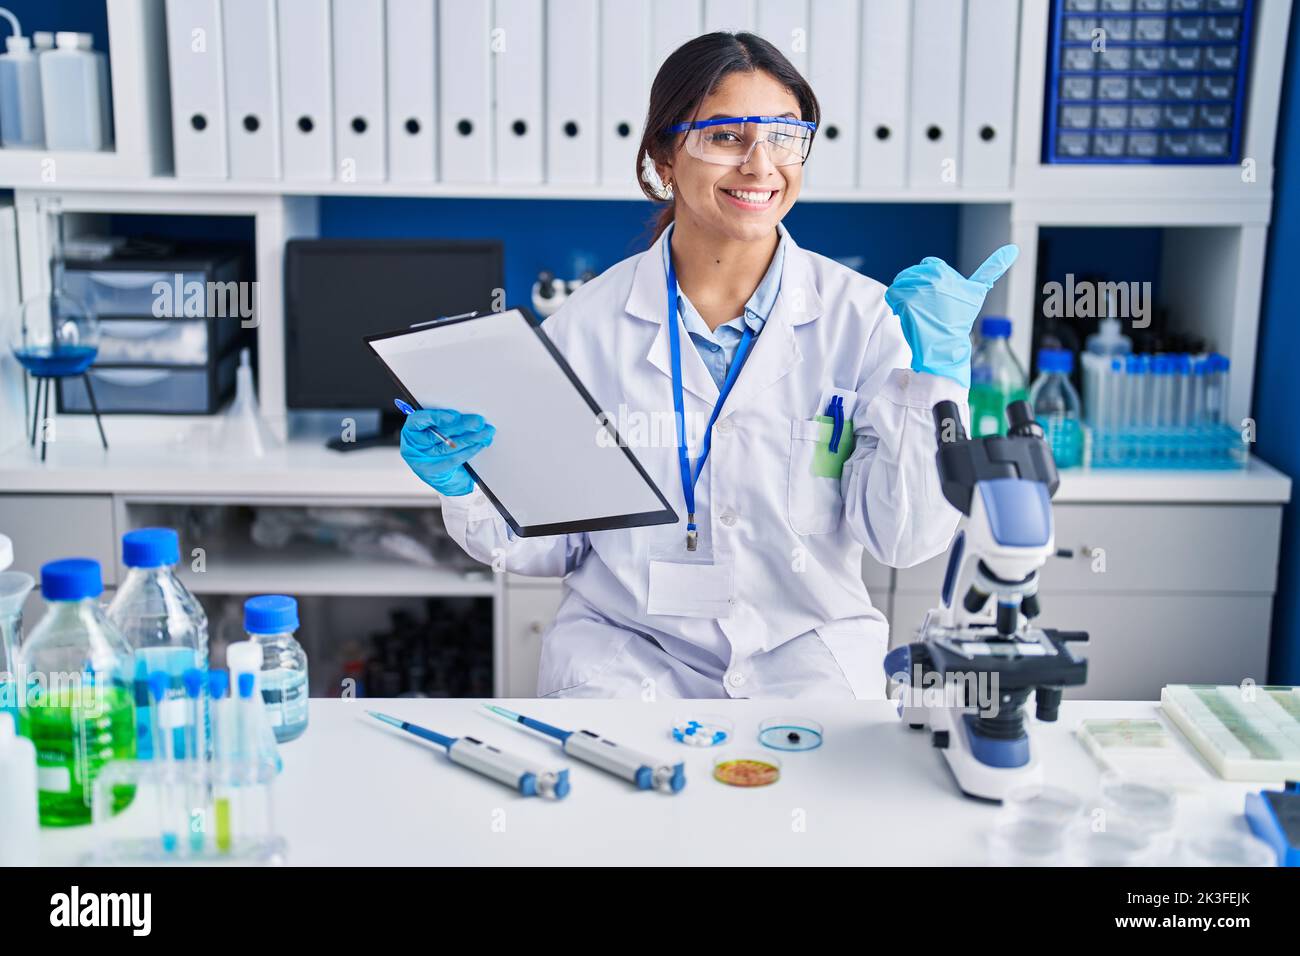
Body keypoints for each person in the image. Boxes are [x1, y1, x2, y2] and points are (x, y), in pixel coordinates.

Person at [400, 32, 1017, 699]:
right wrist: (467, 484)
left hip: (805, 659)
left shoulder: (865, 322)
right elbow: (554, 547)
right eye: (725, 137)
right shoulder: (587, 328)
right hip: (625, 658)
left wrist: (937, 381)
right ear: (664, 156)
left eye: (785, 136)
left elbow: (901, 540)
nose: (761, 165)